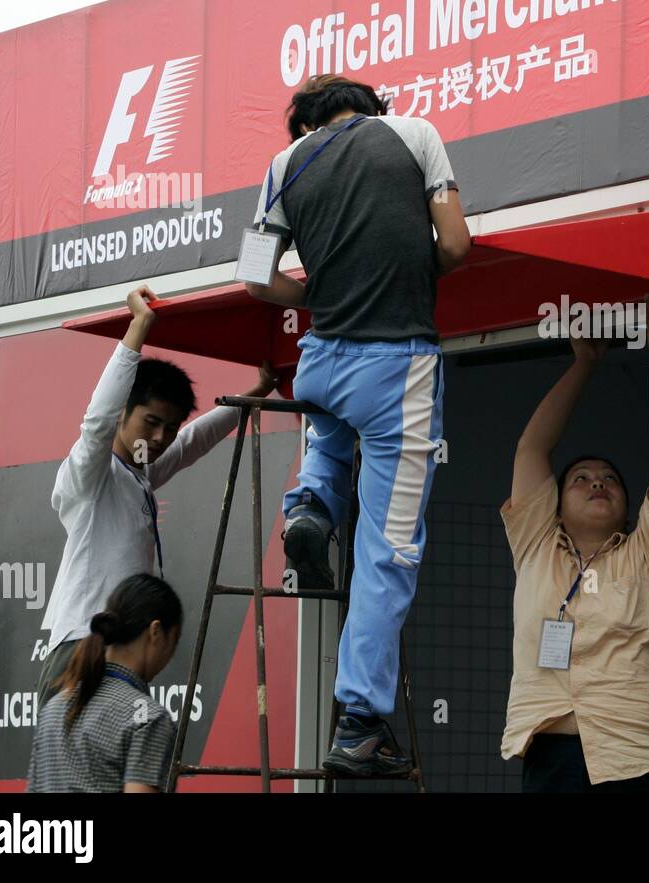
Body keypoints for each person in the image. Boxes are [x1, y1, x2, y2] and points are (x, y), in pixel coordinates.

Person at [245, 74, 471, 776]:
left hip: (322, 356)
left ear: (307, 123)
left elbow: (256, 276)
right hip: (395, 364)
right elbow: (457, 245)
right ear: (373, 106)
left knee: (332, 435)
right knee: (387, 551)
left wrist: (312, 288)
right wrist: (412, 266)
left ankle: (310, 502)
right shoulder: (414, 134)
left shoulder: (287, 164)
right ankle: (359, 722)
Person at [37, 286, 278, 709]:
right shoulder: (92, 475)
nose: (160, 438)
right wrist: (139, 326)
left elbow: (193, 441)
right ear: (122, 415)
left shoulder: (139, 474)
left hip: (120, 656)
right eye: (150, 422)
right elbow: (95, 425)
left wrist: (257, 390)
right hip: (81, 649)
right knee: (72, 776)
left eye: (168, 427)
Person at [501, 295, 649, 792]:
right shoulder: (537, 545)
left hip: (638, 756)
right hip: (552, 760)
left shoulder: (648, 550)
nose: (597, 483)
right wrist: (585, 364)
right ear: (554, 504)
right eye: (580, 478)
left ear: (628, 507)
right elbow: (531, 448)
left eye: (609, 480)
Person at [29, 573, 183, 793]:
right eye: (174, 640)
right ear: (155, 632)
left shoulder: (52, 711)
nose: (171, 653)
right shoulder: (148, 719)